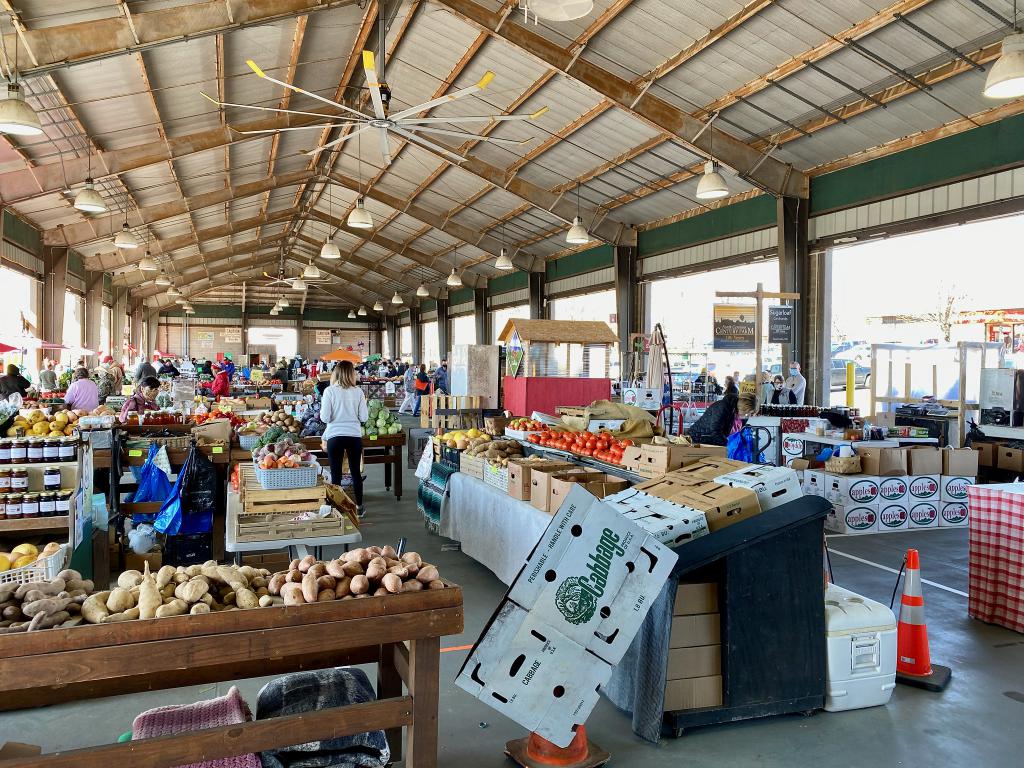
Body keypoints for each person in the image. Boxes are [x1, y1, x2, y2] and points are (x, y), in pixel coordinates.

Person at [320, 361, 368, 516]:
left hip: (335, 436)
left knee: (336, 474)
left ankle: (336, 509)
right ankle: (359, 507)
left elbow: (325, 417)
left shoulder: (329, 391)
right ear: (351, 374)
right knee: (355, 473)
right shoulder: (358, 392)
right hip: (354, 436)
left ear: (337, 373)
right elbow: (364, 417)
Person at [687, 392, 758, 447]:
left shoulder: (744, 415)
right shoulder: (722, 407)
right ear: (743, 408)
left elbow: (738, 432)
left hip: (716, 442)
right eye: (749, 413)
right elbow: (715, 431)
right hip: (699, 439)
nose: (749, 416)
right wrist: (729, 445)